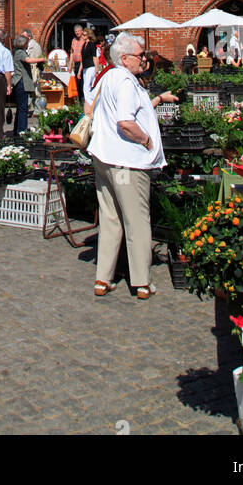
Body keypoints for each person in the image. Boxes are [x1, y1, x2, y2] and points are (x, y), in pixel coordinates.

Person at [88, 31, 166, 298]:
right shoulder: (125, 82)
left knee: (111, 220)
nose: (143, 59)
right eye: (139, 55)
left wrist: (155, 101)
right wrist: (146, 141)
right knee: (137, 222)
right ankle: (142, 282)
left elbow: (90, 107)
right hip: (126, 163)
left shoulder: (107, 77)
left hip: (104, 158)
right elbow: (126, 122)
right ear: (124, 58)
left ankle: (103, 279)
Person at [11, 35, 35, 137]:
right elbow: (28, 60)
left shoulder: (18, 52)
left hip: (20, 82)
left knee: (21, 107)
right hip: (21, 82)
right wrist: (41, 60)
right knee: (23, 108)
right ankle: (21, 131)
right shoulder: (20, 52)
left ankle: (17, 130)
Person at [69, 23, 86, 101]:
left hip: (83, 63)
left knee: (83, 81)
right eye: (76, 31)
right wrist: (70, 65)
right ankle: (78, 99)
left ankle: (83, 98)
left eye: (79, 31)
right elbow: (72, 53)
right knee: (77, 82)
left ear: (82, 31)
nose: (77, 32)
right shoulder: (74, 40)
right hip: (76, 64)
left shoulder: (84, 40)